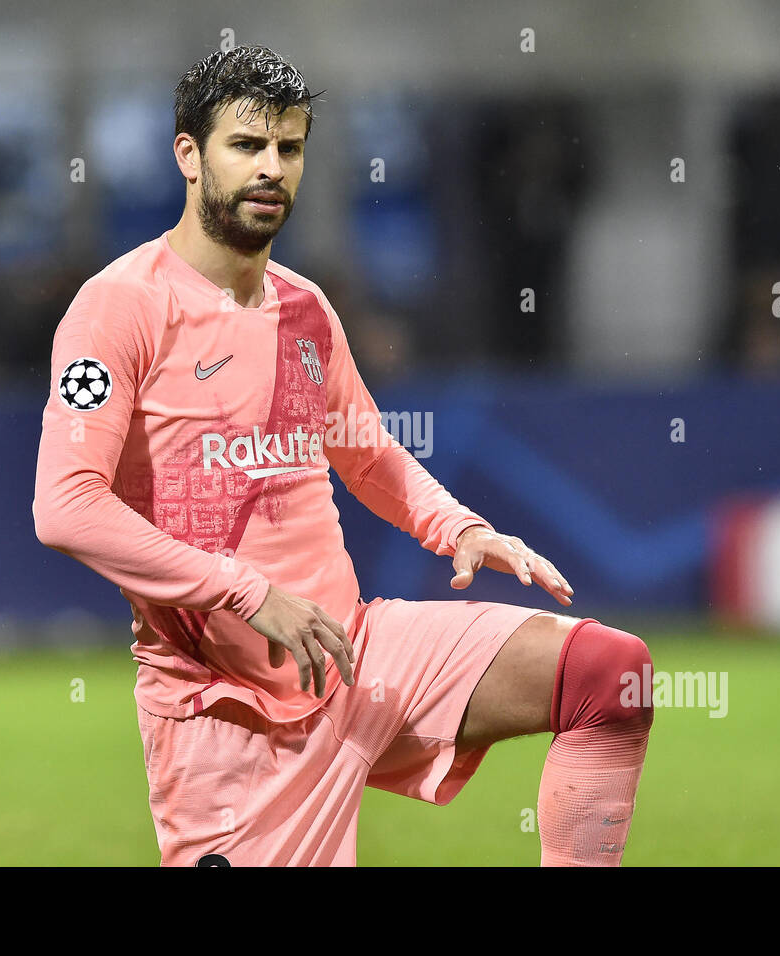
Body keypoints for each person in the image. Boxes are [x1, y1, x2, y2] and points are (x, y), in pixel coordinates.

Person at [32, 44, 654, 866]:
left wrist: (456, 526)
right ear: (188, 155)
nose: (271, 169)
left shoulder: (304, 308)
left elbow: (365, 452)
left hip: (355, 656)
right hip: (229, 719)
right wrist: (251, 593)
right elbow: (65, 507)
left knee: (611, 674)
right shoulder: (119, 309)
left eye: (288, 149)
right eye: (246, 146)